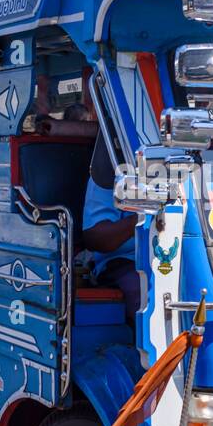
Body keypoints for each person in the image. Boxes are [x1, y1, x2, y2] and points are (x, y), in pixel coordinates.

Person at [83, 139, 138, 326]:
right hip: (127, 262)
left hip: (194, 257)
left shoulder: (209, 166)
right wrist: (141, 219)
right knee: (144, 290)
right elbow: (97, 238)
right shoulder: (108, 170)